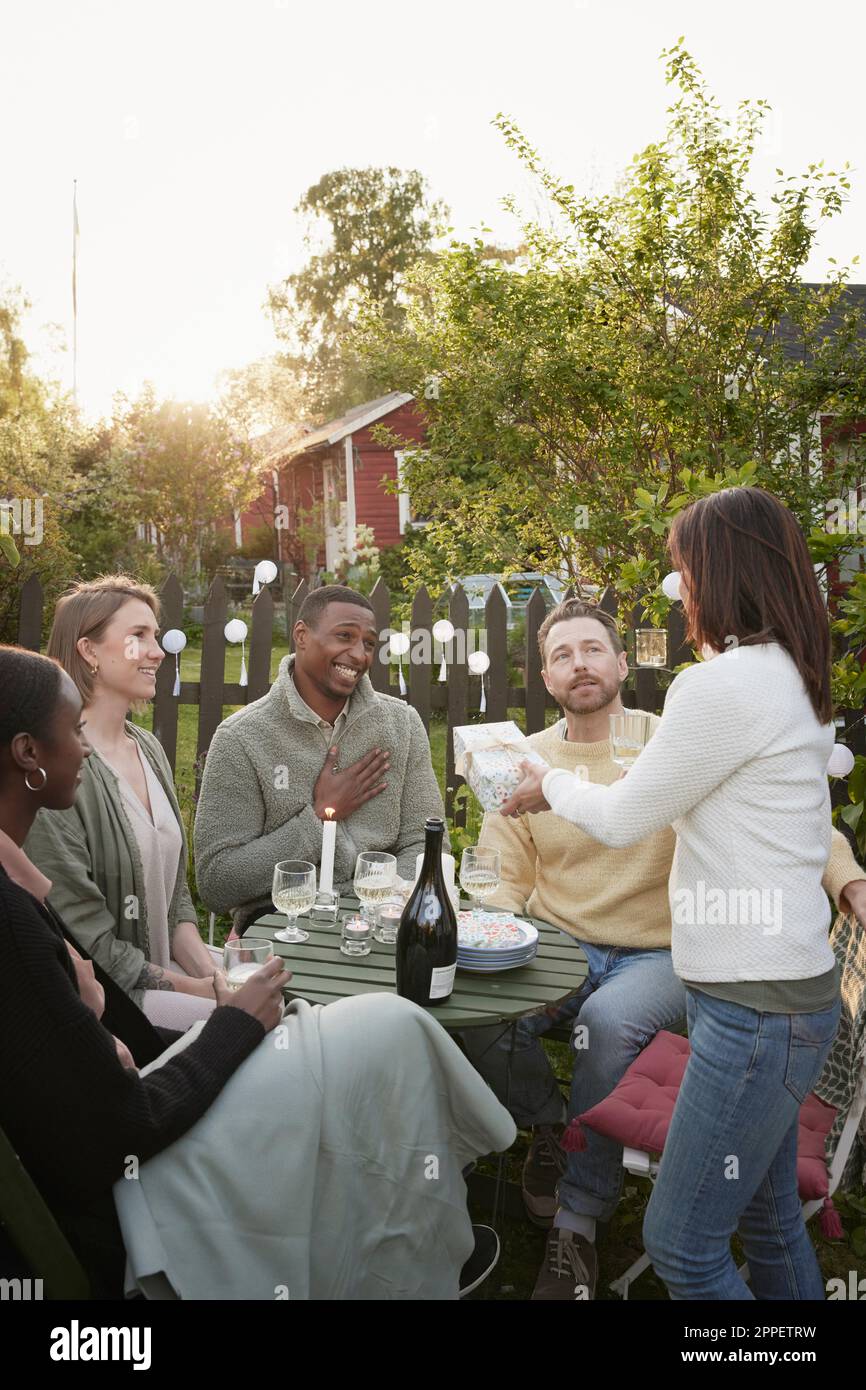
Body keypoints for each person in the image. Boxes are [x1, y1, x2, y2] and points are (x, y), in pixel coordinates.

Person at [0, 644, 514, 1299]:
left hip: (153, 1087)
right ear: (27, 753)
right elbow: (120, 1128)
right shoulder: (10, 923)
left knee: (370, 1036)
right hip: (137, 1185)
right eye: (73, 733)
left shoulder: (17, 885)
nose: (85, 749)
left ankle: (421, 1241)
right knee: (387, 1029)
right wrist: (232, 1025)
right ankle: (421, 1258)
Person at [502, 487, 850, 1300]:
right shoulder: (788, 677)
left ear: (721, 573)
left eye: (685, 571)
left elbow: (623, 819)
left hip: (753, 1011)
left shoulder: (719, 686)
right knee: (763, 1221)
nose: (680, 590)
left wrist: (549, 782)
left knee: (684, 1243)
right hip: (789, 999)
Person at [24, 575, 219, 1030]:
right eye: (138, 637)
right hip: (108, 1001)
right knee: (259, 1028)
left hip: (167, 973)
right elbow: (91, 946)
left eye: (155, 635)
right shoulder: (58, 772)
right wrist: (208, 993)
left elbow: (175, 902)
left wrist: (217, 975)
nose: (158, 651)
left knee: (282, 999)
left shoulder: (147, 747)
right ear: (89, 651)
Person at [195, 584, 446, 933]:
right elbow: (217, 882)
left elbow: (426, 843)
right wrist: (318, 819)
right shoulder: (241, 738)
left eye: (369, 644)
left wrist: (382, 908)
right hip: (282, 927)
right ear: (301, 635)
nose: (359, 654)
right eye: (345, 636)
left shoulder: (401, 725)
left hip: (381, 924)